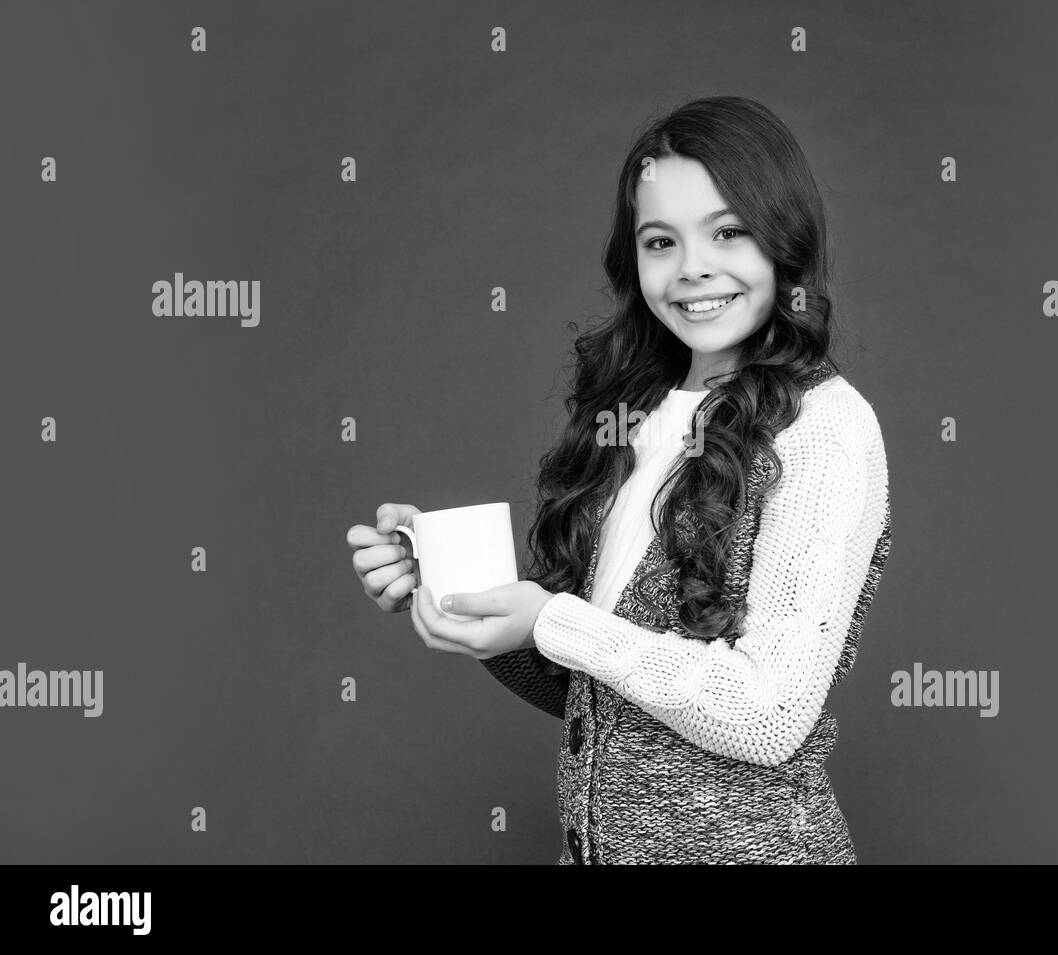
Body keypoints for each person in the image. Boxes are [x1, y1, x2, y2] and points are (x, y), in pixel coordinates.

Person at [346, 95, 891, 864]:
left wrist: (546, 617)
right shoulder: (636, 417)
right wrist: (472, 600)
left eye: (728, 232)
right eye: (660, 240)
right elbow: (602, 696)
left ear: (784, 242)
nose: (693, 267)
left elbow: (769, 715)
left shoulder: (827, 428)